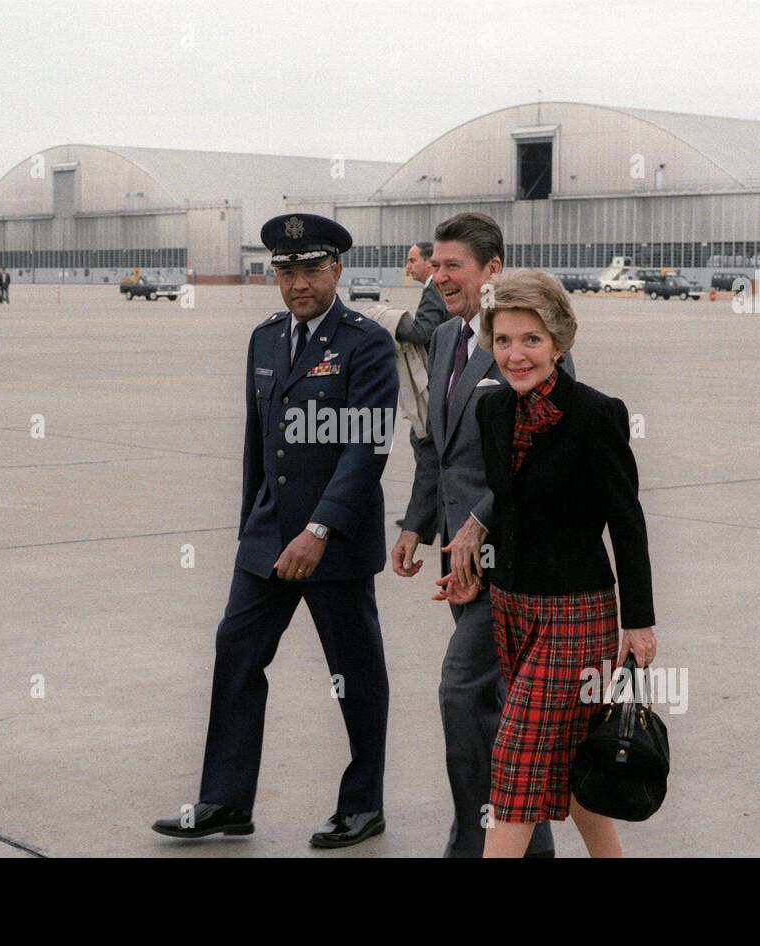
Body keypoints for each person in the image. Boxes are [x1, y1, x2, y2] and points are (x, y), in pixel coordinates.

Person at [152, 213, 399, 849]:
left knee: (354, 672)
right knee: (236, 653)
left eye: (311, 269)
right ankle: (226, 801)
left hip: (332, 542)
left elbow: (365, 450)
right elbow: (256, 447)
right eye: (285, 271)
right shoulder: (264, 340)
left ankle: (363, 802)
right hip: (267, 536)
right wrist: (249, 527)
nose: (297, 284)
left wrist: (319, 529)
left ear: (337, 270)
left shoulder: (365, 342)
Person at [436, 269, 657, 858]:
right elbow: (510, 509)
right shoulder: (494, 415)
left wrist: (639, 621)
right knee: (568, 756)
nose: (516, 354)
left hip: (574, 616)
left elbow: (626, 524)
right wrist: (473, 571)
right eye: (503, 340)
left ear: (559, 342)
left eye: (531, 340)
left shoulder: (595, 415)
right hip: (512, 609)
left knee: (513, 761)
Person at [390, 212, 572, 858]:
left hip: (515, 560)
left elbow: (543, 452)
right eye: (434, 266)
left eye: (452, 267)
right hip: (459, 559)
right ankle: (532, 846)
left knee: (461, 692)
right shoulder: (443, 341)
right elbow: (435, 447)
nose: (439, 278)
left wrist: (479, 523)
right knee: (500, 710)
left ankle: (474, 842)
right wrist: (417, 524)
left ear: (493, 270)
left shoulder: (523, 341)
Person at [393, 241, 449, 529]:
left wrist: (390, 321)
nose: (408, 265)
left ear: (429, 262)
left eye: (413, 260)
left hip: (438, 382)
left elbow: (422, 331)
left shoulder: (432, 290)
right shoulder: (434, 290)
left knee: (424, 442)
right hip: (441, 379)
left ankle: (426, 517)